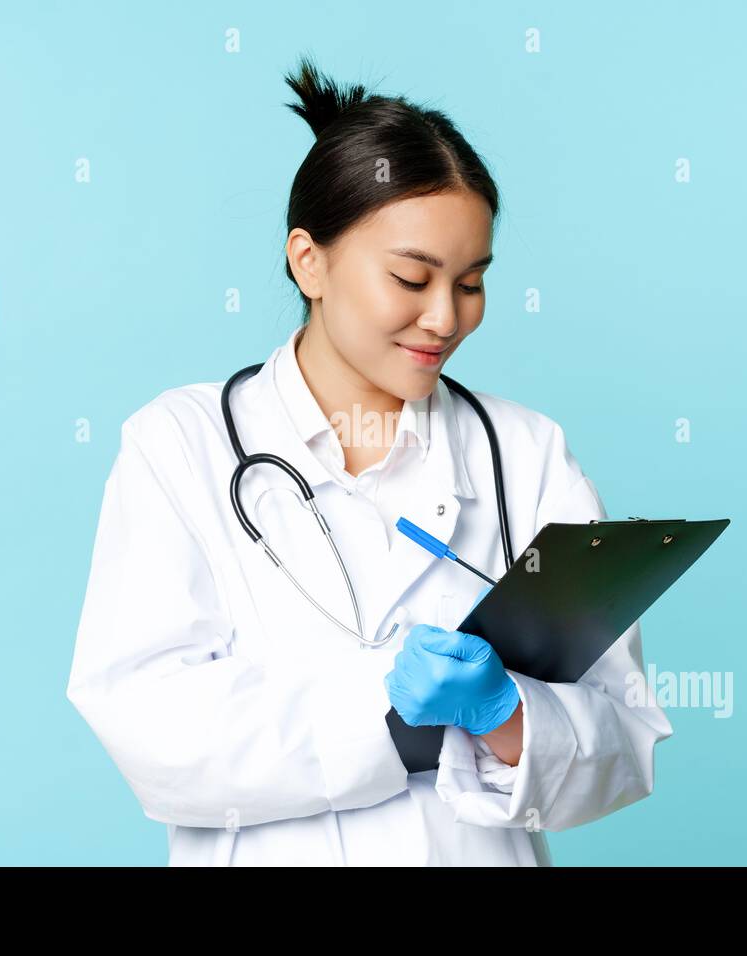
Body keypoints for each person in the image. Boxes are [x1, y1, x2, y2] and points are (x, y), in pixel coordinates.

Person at [65, 55, 672, 866]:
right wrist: (389, 718)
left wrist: (507, 716)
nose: (444, 317)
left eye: (471, 283)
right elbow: (148, 722)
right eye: (411, 277)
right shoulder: (181, 445)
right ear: (308, 260)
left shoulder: (527, 453)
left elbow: (624, 744)